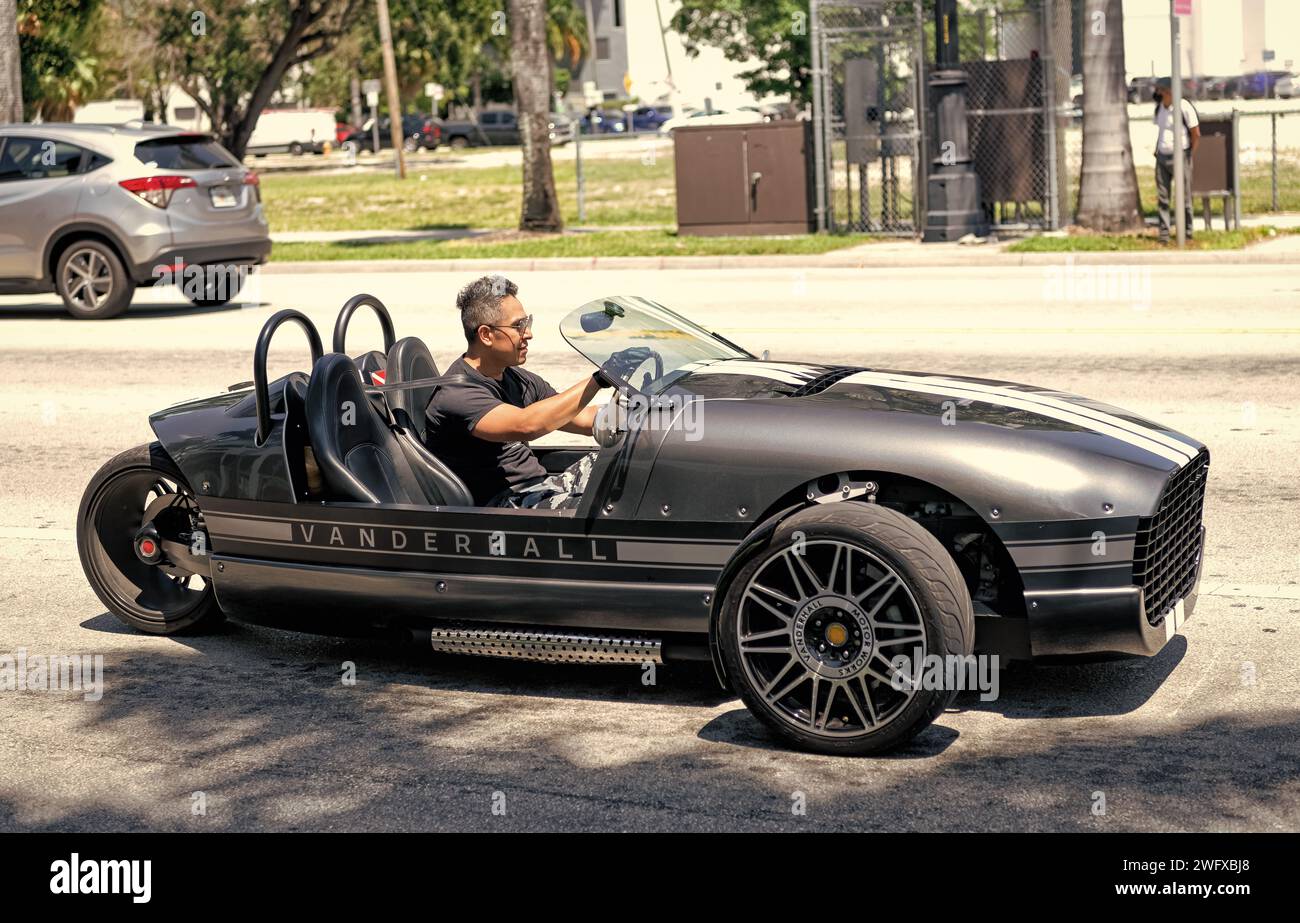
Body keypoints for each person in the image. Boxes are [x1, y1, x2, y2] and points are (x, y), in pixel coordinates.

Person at [423, 275, 646, 510]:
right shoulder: (458, 393)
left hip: (540, 489)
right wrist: (600, 378)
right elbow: (527, 425)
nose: (528, 333)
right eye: (518, 326)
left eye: (527, 322)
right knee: (616, 504)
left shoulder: (515, 377)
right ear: (486, 335)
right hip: (504, 507)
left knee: (633, 466)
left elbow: (580, 417)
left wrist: (649, 418)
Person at [1153, 77, 1200, 244]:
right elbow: (1160, 131)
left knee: (1185, 197)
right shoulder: (1159, 108)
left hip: (1181, 156)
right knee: (1163, 197)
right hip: (1162, 157)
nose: (1158, 93)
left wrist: (1188, 155)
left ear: (1169, 91)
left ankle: (1187, 233)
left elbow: (1195, 133)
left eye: (1161, 90)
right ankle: (1164, 234)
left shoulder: (1184, 107)